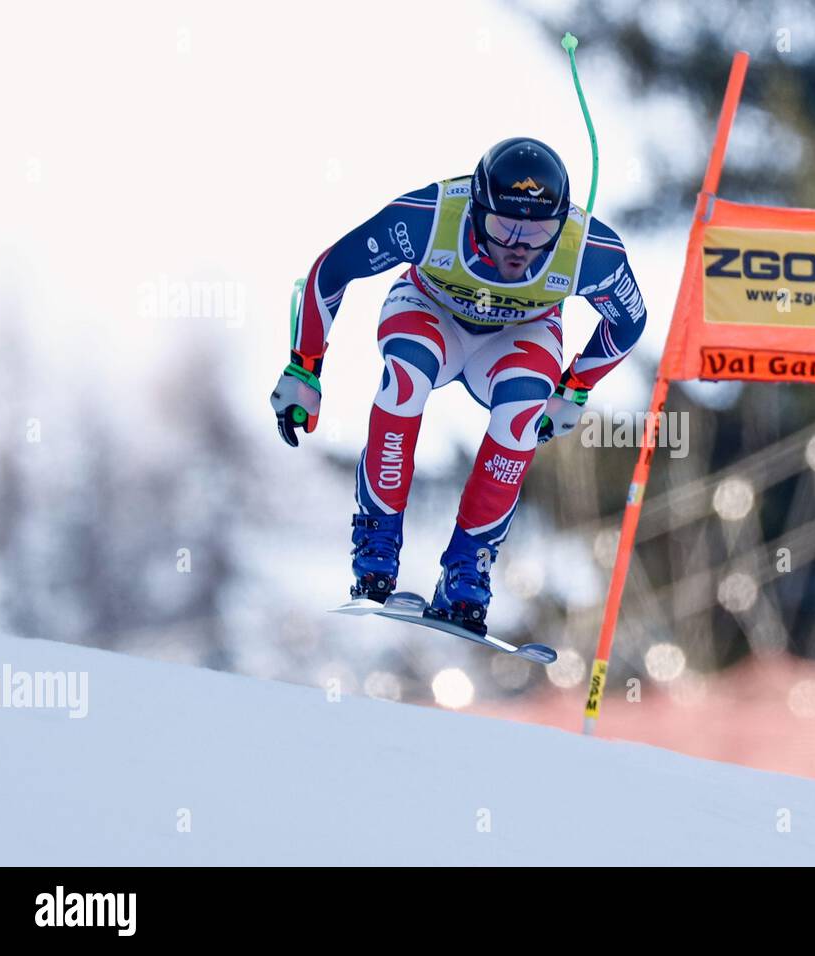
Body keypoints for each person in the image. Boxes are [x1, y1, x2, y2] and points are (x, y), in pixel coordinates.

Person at [270, 138, 646, 634]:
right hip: (431, 311)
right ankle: (378, 541)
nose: (519, 246)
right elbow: (329, 272)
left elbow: (630, 323)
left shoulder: (587, 252)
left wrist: (574, 386)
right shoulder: (429, 217)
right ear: (476, 211)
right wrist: (305, 368)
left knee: (522, 414)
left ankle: (468, 568)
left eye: (538, 231)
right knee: (407, 378)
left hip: (520, 333)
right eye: (503, 226)